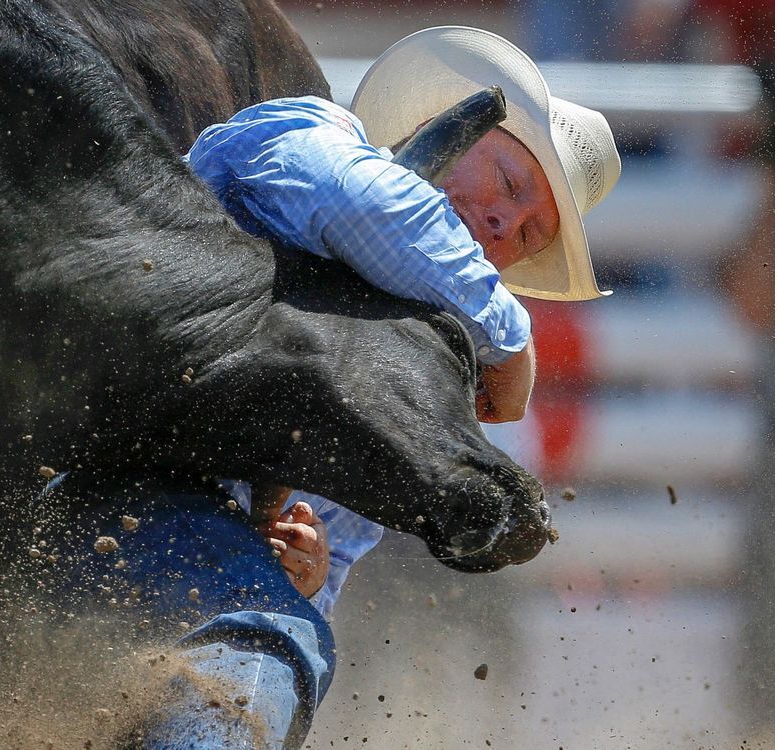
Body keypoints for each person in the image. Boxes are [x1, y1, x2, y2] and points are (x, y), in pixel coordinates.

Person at [62, 26, 623, 749]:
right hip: (85, 473)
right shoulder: (311, 129)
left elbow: (336, 563)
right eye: (509, 186)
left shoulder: (413, 365)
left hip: (136, 554)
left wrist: (307, 573)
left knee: (280, 623)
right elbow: (353, 201)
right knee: (267, 639)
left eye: (524, 236)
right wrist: (507, 335)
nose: (500, 224)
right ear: (442, 127)